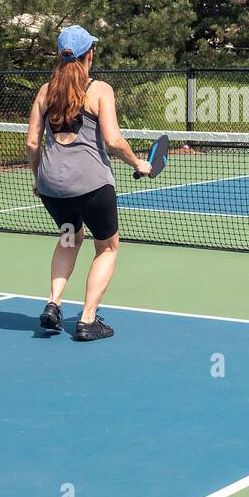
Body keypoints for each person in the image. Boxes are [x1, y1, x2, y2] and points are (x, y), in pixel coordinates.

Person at [25, 25, 153, 342]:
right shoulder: (99, 90)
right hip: (92, 186)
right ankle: (87, 320)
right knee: (107, 247)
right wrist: (138, 163)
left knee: (70, 237)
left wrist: (38, 178)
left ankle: (54, 303)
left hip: (52, 187)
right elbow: (112, 140)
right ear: (89, 55)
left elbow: (31, 143)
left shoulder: (44, 91)